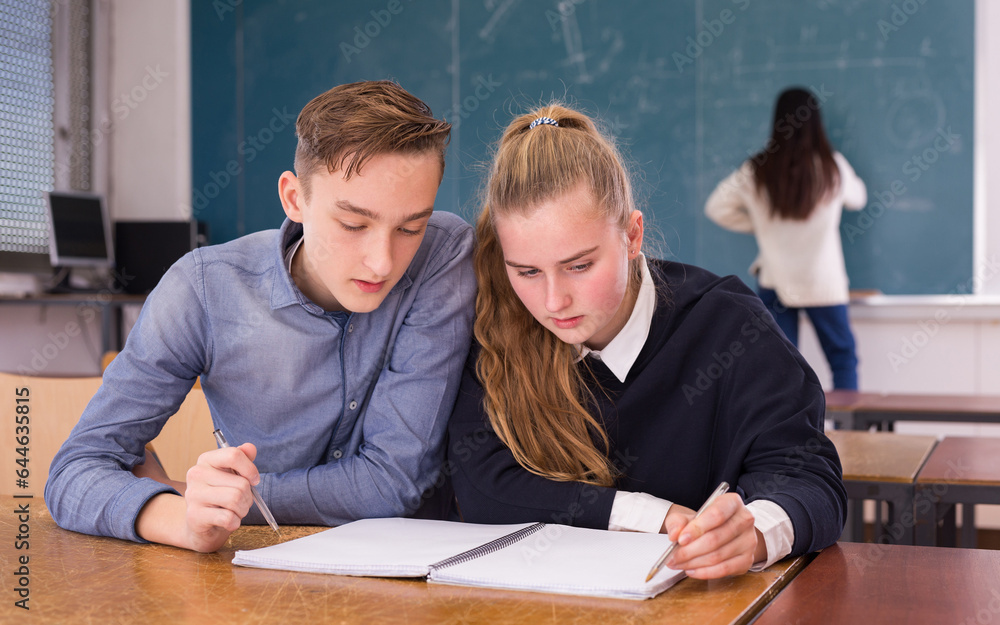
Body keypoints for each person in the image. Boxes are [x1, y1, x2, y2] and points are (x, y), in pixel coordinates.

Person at [45, 80, 476, 552]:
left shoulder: (442, 252)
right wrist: (180, 517)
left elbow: (394, 482)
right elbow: (76, 470)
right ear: (294, 199)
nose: (383, 262)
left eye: (411, 227)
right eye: (353, 224)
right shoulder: (204, 289)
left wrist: (232, 501)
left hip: (415, 583)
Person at [447, 105, 846, 580]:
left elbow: (808, 477)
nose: (553, 301)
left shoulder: (729, 326)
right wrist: (650, 517)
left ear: (632, 235)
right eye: (527, 271)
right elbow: (483, 486)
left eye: (579, 265)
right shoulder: (498, 328)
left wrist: (755, 534)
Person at [705, 87, 867, 390]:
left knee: (780, 367)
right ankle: (851, 432)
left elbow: (716, 207)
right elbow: (859, 198)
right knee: (842, 358)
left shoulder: (757, 170)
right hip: (824, 283)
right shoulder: (832, 167)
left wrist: (761, 226)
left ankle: (786, 435)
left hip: (776, 282)